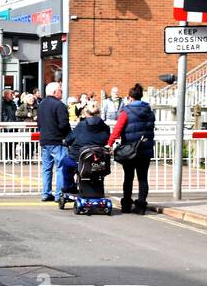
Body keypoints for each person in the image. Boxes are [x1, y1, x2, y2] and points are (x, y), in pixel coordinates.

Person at [109, 82, 155, 214]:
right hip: (145, 149)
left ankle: (127, 205)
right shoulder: (149, 112)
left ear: (130, 98)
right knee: (143, 178)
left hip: (129, 149)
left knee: (128, 177)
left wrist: (110, 143)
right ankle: (141, 206)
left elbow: (117, 130)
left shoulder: (126, 112)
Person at [60, 102, 111, 193]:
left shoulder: (82, 125)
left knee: (65, 162)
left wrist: (65, 142)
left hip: (79, 158)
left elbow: (70, 139)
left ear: (86, 113)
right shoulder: (105, 127)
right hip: (97, 159)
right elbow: (106, 139)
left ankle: (69, 187)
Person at [37, 81, 71, 201]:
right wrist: (69, 137)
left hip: (45, 140)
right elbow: (64, 124)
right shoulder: (59, 105)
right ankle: (59, 195)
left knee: (46, 168)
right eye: (60, 90)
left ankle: (46, 193)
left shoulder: (41, 104)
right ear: (55, 92)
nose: (61, 92)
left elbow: (39, 123)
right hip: (57, 141)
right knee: (61, 168)